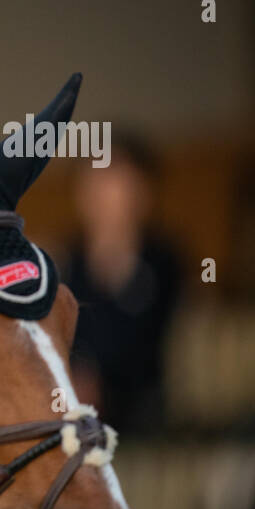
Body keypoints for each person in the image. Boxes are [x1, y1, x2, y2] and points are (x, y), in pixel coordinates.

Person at [61, 131, 182, 435]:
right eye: (94, 177)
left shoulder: (164, 263)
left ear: (143, 192)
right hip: (75, 419)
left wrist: (103, 383)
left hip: (147, 423)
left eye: (115, 178)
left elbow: (162, 346)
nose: (103, 191)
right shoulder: (64, 264)